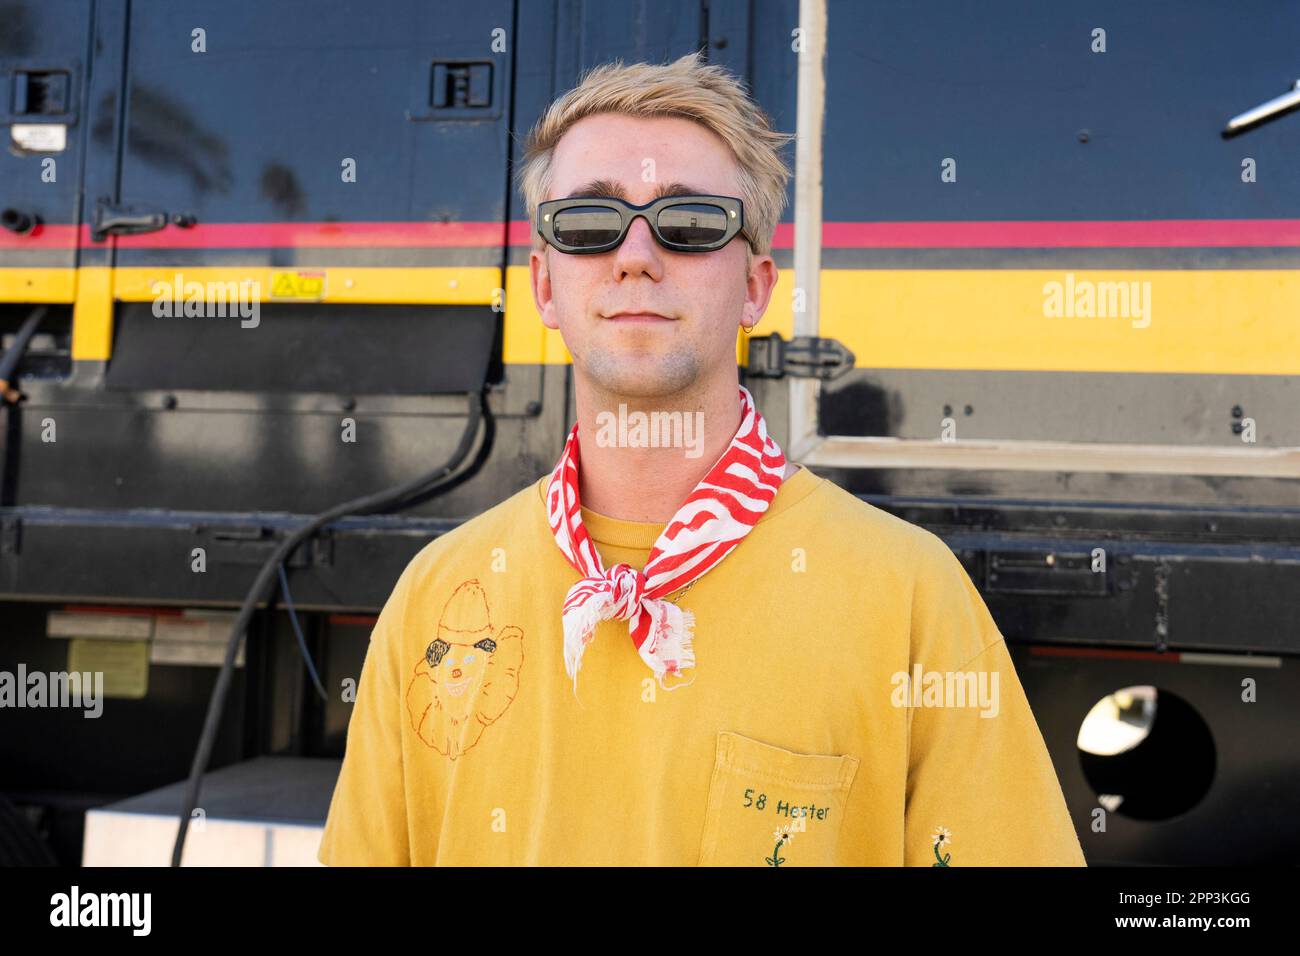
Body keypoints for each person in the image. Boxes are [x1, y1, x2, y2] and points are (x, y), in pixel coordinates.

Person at [317, 51, 1086, 866]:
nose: (636, 254)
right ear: (542, 285)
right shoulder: (434, 601)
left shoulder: (911, 601)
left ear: (756, 287)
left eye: (689, 223)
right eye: (588, 223)